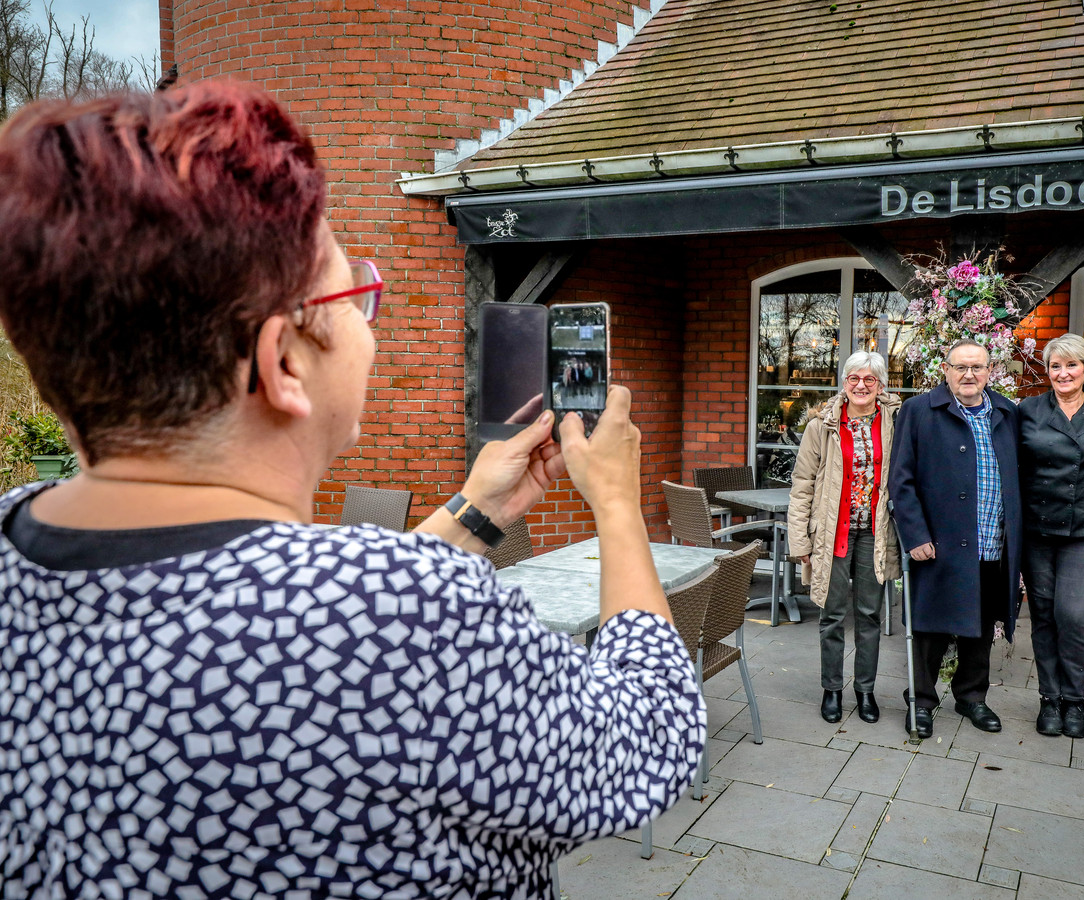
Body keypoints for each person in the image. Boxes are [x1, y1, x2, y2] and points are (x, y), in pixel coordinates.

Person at [0, 82, 704, 899]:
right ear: (284, 363)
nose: (369, 323)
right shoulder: (414, 612)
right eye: (354, 294)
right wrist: (615, 500)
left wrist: (478, 513)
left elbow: (278, 610)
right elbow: (647, 740)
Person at [890, 339, 1022, 738]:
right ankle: (922, 701)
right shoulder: (918, 411)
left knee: (981, 626)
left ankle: (971, 696)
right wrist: (914, 534)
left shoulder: (1006, 412)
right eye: (960, 367)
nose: (969, 375)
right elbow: (901, 479)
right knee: (929, 625)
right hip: (939, 542)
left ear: (989, 371)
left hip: (991, 541)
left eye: (977, 368)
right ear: (945, 370)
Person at [787, 351, 901, 725]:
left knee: (869, 614)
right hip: (831, 534)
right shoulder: (823, 426)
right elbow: (802, 486)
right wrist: (800, 542)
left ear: (881, 385)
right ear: (843, 382)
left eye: (870, 379)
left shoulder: (894, 422)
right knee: (832, 615)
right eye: (854, 378)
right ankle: (831, 690)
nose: (861, 386)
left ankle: (865, 691)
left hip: (874, 532)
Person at [1018, 334, 1084, 738]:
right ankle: (1049, 698)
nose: (1063, 373)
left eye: (1071, 365)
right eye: (1055, 366)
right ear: (1047, 371)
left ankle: (1075, 700)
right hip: (1038, 527)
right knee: (1043, 614)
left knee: (1074, 615)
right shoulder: (1027, 411)